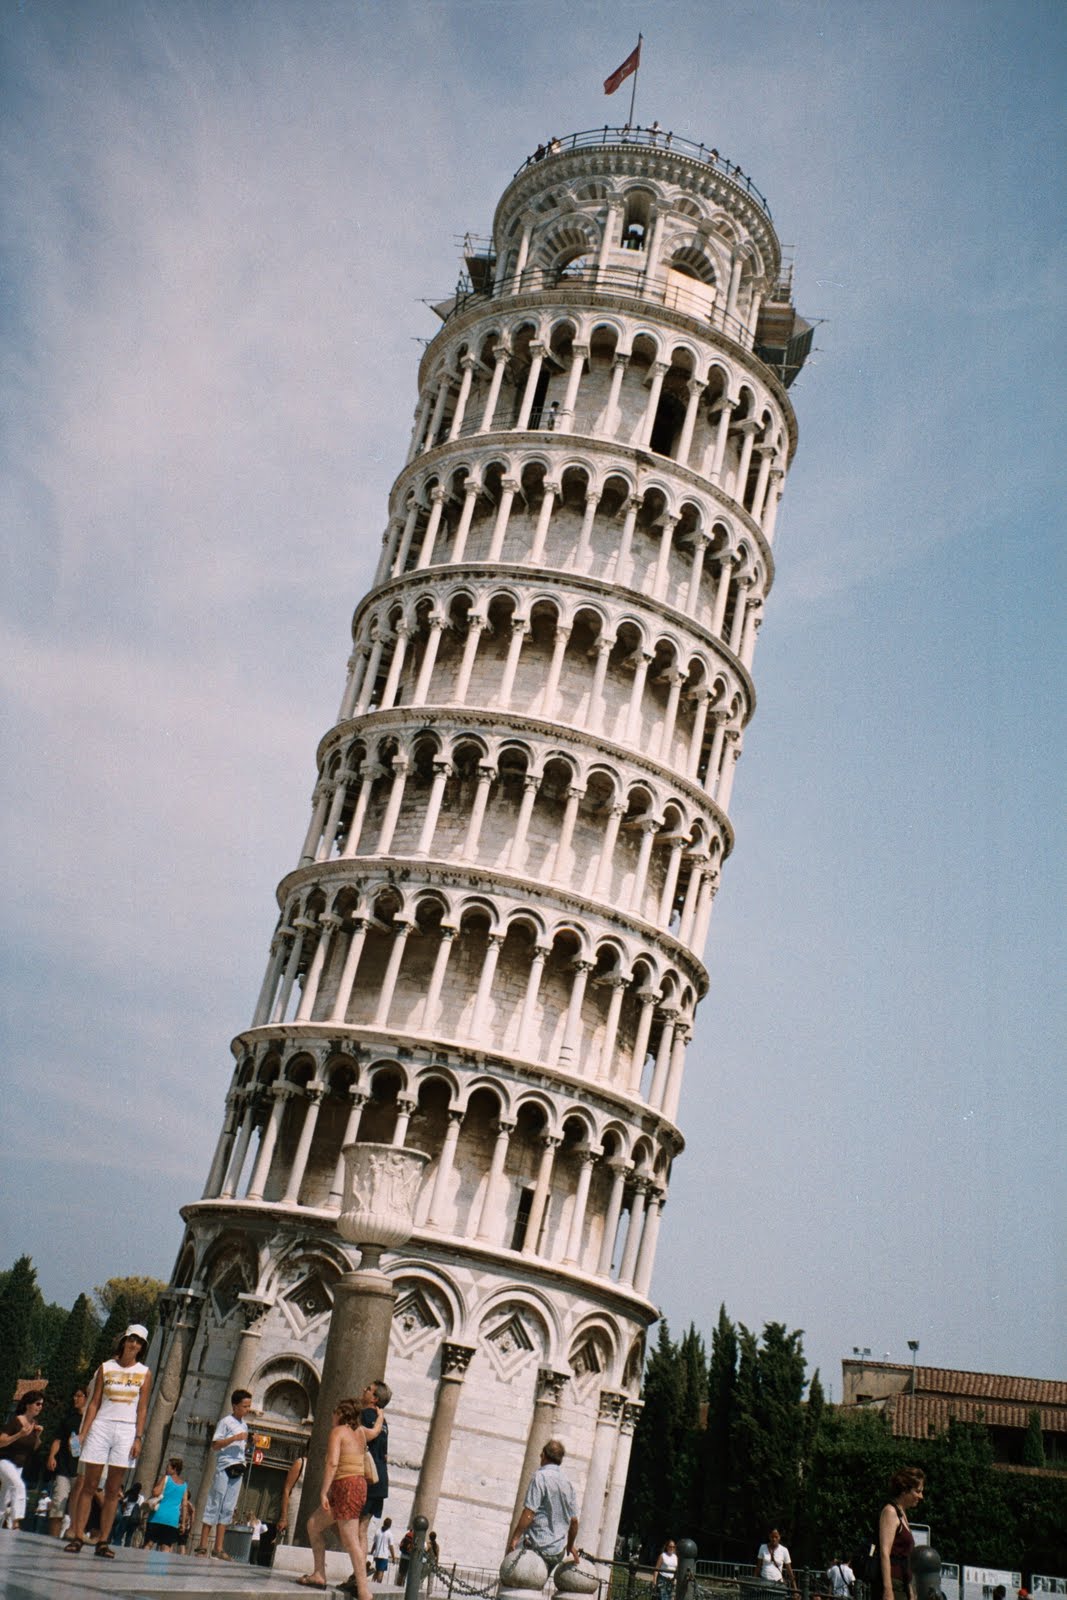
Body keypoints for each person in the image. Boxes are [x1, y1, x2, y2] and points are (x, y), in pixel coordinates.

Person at [65, 1323, 152, 1558]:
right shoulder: (106, 1367)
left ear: (142, 1347)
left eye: (139, 1342)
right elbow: (94, 1402)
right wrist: (84, 1433)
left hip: (125, 1429)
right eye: (131, 1339)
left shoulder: (144, 1373)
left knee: (113, 1489)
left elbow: (142, 1409)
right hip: (102, 1426)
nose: (133, 1344)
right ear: (124, 1341)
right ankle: (77, 1536)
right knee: (89, 1485)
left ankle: (103, 1540)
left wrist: (138, 1437)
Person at [299, 1394, 383, 1595]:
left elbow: (332, 1463)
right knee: (313, 1525)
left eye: (334, 1412)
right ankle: (319, 1574)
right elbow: (376, 1431)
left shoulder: (338, 1432)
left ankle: (364, 1592)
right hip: (358, 1485)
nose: (331, 1415)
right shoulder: (361, 1432)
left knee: (351, 1539)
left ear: (341, 1414)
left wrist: (323, 1491)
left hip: (346, 1485)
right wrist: (380, 1416)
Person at [194, 1387, 253, 1559]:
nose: (247, 1410)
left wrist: (249, 1442)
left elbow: (241, 1448)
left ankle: (218, 1547)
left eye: (249, 1406)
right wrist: (234, 1438)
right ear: (235, 1406)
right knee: (215, 1502)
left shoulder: (244, 1425)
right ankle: (202, 1545)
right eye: (244, 1406)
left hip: (238, 1466)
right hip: (224, 1466)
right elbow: (215, 1444)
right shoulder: (226, 1422)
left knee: (228, 1507)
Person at [506, 1438, 579, 1572]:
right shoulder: (568, 1483)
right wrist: (570, 1544)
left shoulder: (540, 1477)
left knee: (516, 1579)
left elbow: (529, 1513)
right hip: (557, 1551)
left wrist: (515, 1538)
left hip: (537, 1545)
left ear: (543, 1455)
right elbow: (574, 1521)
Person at [875, 1467, 924, 1600]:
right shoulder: (890, 1512)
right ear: (904, 1490)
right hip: (893, 1583)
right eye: (917, 1491)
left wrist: (910, 1591)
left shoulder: (902, 1514)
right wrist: (888, 1590)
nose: (921, 1496)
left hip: (902, 1584)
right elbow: (885, 1552)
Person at [46, 1385, 87, 1537]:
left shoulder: (91, 1421)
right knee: (58, 1504)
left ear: (86, 1398)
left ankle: (74, 1535)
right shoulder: (68, 1419)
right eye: (74, 1396)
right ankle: (53, 1538)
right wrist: (51, 1456)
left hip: (81, 1469)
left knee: (76, 1507)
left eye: (79, 1396)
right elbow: (57, 1439)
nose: (75, 1399)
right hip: (64, 1467)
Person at [0, 1390, 45, 1528]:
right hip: (5, 1461)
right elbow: (1, 1441)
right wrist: (20, 1434)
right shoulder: (16, 1420)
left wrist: (38, 1435)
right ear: (28, 1405)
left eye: (42, 1405)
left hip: (19, 1465)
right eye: (37, 1403)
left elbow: (35, 1447)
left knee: (5, 1497)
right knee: (19, 1486)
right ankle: (16, 1521)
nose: (40, 1407)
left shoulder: (34, 1423)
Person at [359, 1380, 392, 1553]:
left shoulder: (363, 1415)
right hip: (380, 1479)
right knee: (362, 1528)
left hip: (367, 1479)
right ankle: (360, 1568)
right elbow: (385, 1454)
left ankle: (358, 1570)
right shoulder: (383, 1422)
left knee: (355, 1527)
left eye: (368, 1389)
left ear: (374, 1398)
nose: (364, 1389)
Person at [143, 1456, 191, 1552]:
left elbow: (155, 1492)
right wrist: (182, 1524)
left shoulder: (166, 1478)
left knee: (149, 1543)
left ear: (174, 1469)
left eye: (168, 1467)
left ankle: (139, 1566)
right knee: (166, 1547)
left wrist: (156, 1487)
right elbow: (184, 1505)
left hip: (158, 1517)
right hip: (172, 1520)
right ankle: (162, 1567)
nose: (166, 1469)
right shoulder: (184, 1485)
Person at [756, 1529, 798, 1596]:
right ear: (769, 1537)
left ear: (779, 1537)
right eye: (772, 1537)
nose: (774, 1539)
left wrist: (795, 1590)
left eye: (776, 1537)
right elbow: (758, 1566)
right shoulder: (762, 1547)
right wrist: (754, 1582)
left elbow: (789, 1570)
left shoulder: (784, 1550)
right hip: (764, 1582)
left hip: (778, 1584)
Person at [114, 1480, 144, 1546]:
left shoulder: (129, 1495)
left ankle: (116, 1547)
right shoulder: (141, 1497)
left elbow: (123, 1502)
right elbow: (141, 1508)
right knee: (129, 1536)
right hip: (134, 1519)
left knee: (120, 1535)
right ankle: (126, 1551)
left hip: (126, 1516)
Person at [371, 1515, 397, 1583]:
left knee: (377, 1569)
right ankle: (379, 1584)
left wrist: (371, 1551)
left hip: (377, 1554)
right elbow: (391, 1546)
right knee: (381, 1571)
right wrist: (393, 1557)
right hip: (384, 1555)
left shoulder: (378, 1531)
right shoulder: (389, 1534)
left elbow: (375, 1543)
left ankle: (373, 1582)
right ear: (390, 1525)